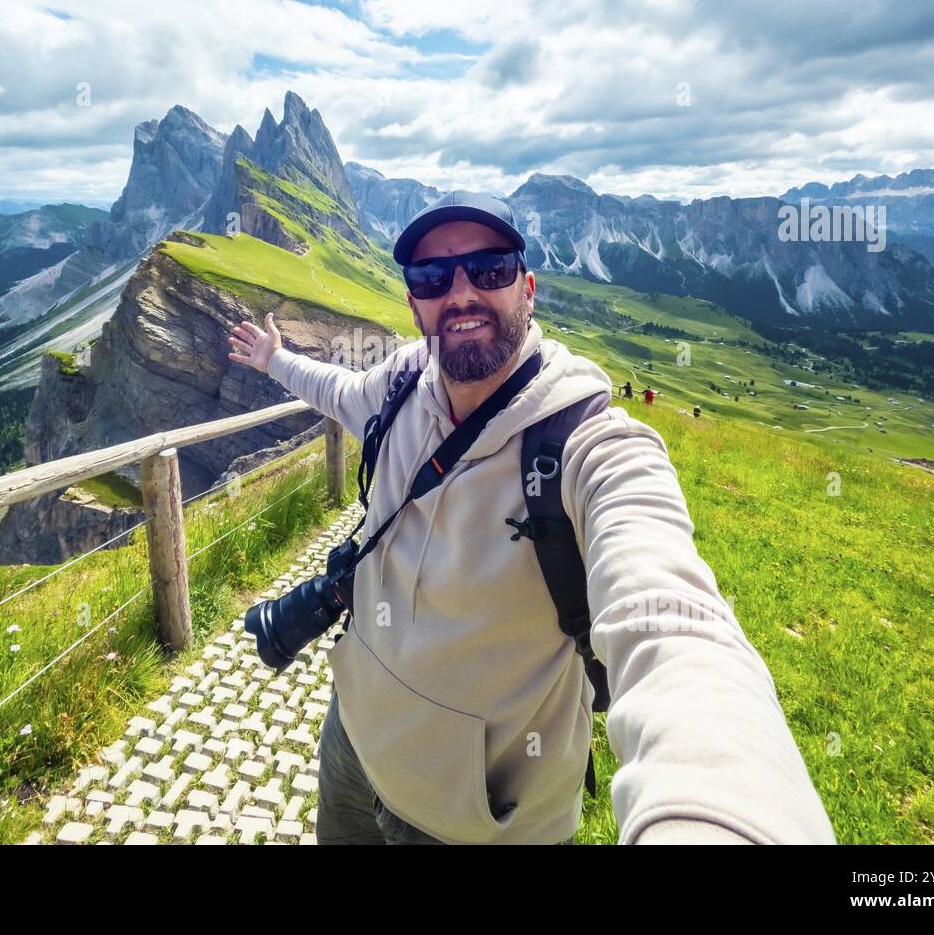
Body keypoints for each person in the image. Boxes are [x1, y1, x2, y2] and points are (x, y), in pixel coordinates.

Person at [226, 190, 835, 846]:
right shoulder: (401, 382)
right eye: (432, 277)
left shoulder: (586, 443)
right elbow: (336, 390)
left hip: (476, 825)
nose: (459, 293)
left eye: (489, 269)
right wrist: (273, 358)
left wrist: (723, 812)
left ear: (528, 288)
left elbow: (674, 627)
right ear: (414, 302)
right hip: (352, 747)